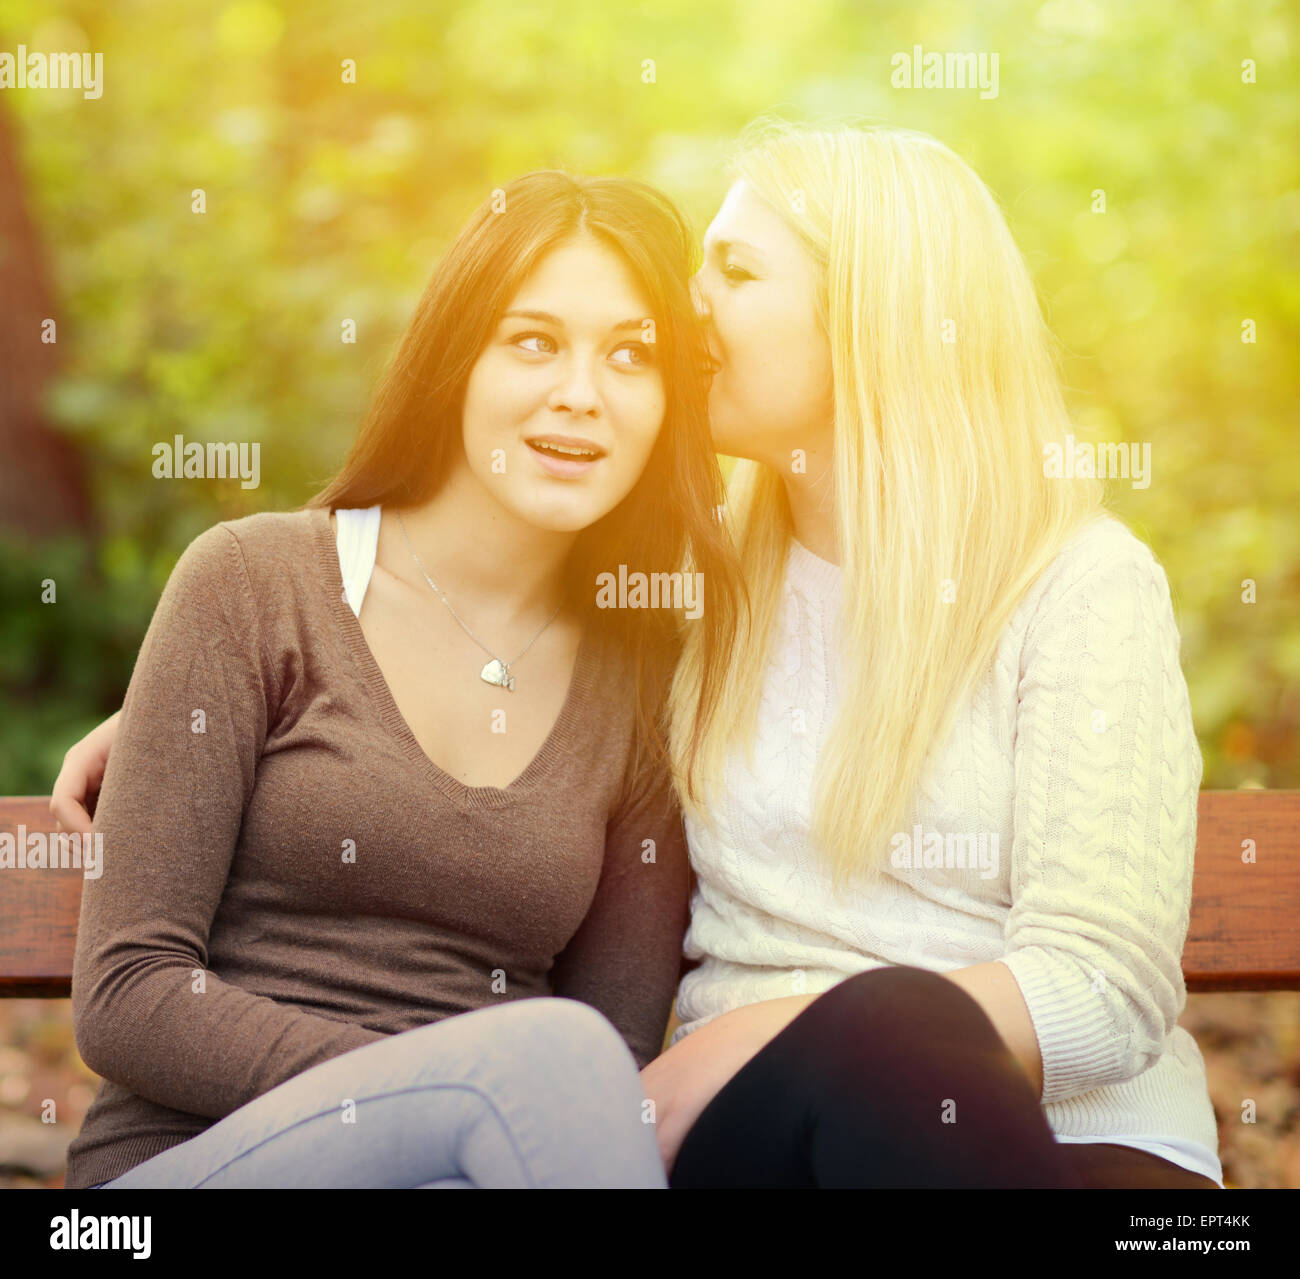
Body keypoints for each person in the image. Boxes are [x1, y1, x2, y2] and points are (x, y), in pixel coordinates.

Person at [51, 168, 745, 1189]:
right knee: (551, 1061)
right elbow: (129, 993)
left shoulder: (644, 682)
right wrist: (447, 1086)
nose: (581, 394)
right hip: (185, 1170)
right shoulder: (254, 583)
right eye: (534, 341)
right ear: (457, 355)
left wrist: (473, 1112)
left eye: (633, 356)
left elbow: (614, 1052)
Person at [645, 118, 1223, 1190]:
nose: (689, 302)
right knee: (882, 1031)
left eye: (734, 268)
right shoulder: (696, 584)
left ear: (871, 312)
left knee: (893, 1024)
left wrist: (786, 1026)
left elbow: (1104, 986)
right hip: (763, 1150)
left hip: (1083, 1154)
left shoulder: (1077, 583)